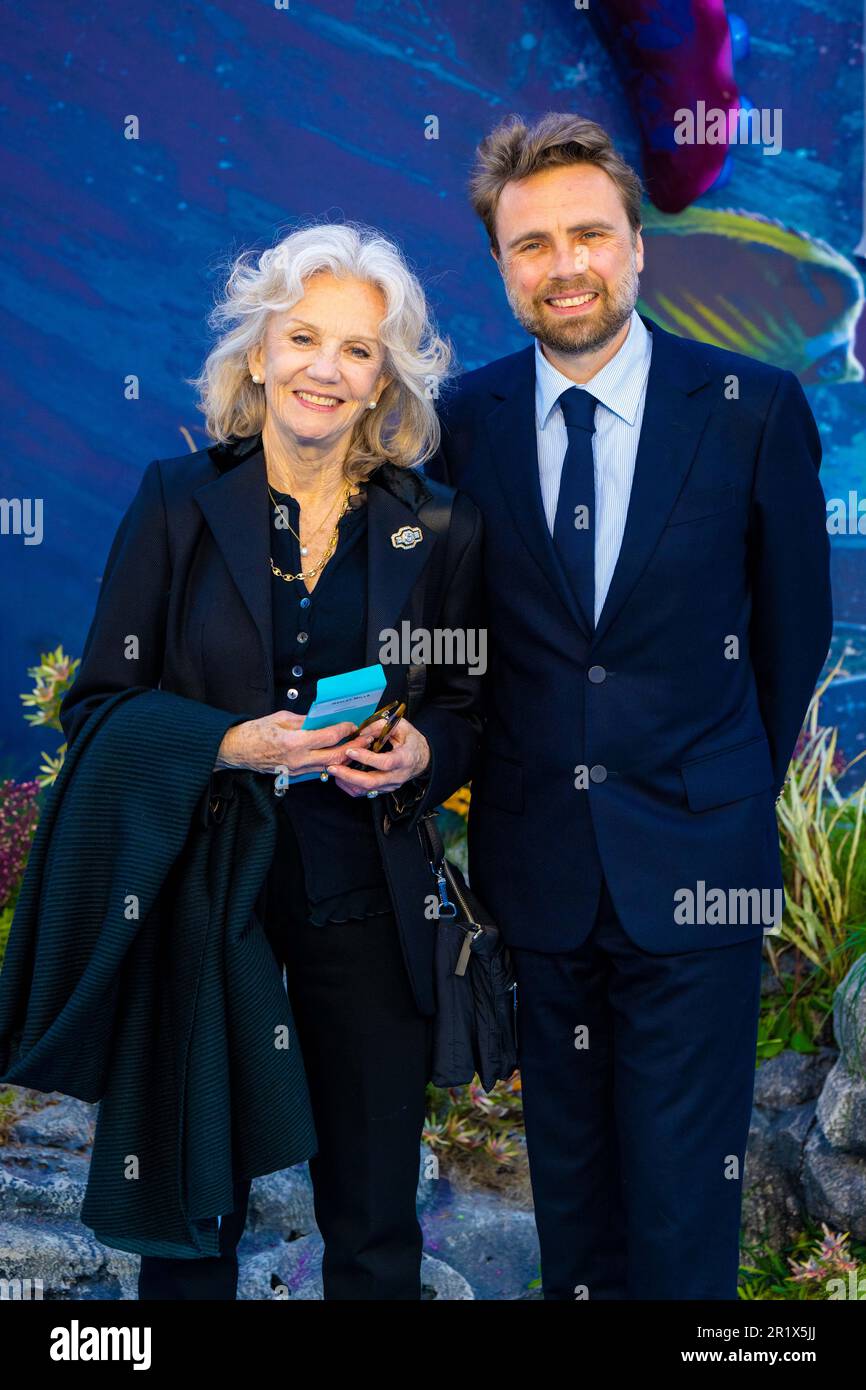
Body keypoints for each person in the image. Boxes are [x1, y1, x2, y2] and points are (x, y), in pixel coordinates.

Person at [425, 112, 833, 1299]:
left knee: (681, 1200)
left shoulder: (751, 408)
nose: (565, 266)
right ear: (500, 265)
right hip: (537, 867)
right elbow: (460, 640)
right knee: (573, 1197)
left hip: (698, 858)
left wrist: (710, 780)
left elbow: (787, 638)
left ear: (637, 246)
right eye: (531, 244)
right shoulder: (466, 424)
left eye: (588, 235)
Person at [59, 222, 485, 1300]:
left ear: (384, 378)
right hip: (205, 897)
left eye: (356, 349)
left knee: (376, 1215)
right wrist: (227, 742)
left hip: (365, 898)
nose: (324, 369)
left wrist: (422, 752)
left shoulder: (433, 526)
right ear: (258, 354)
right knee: (192, 1215)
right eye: (303, 338)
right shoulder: (174, 504)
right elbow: (102, 704)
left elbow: (467, 698)